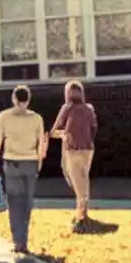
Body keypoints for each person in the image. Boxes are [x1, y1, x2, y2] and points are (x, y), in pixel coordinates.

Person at [0, 85, 47, 263]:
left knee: (14, 202)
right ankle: (23, 242)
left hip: (11, 163)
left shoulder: (4, 117)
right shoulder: (36, 118)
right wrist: (39, 166)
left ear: (14, 99)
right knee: (27, 203)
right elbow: (41, 144)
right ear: (28, 100)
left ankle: (18, 241)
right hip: (30, 163)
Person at [50, 79, 98, 233]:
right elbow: (94, 128)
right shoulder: (89, 109)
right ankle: (82, 212)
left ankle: (81, 218)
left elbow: (54, 131)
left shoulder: (67, 108)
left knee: (77, 182)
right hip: (88, 149)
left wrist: (65, 134)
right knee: (83, 180)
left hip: (73, 149)